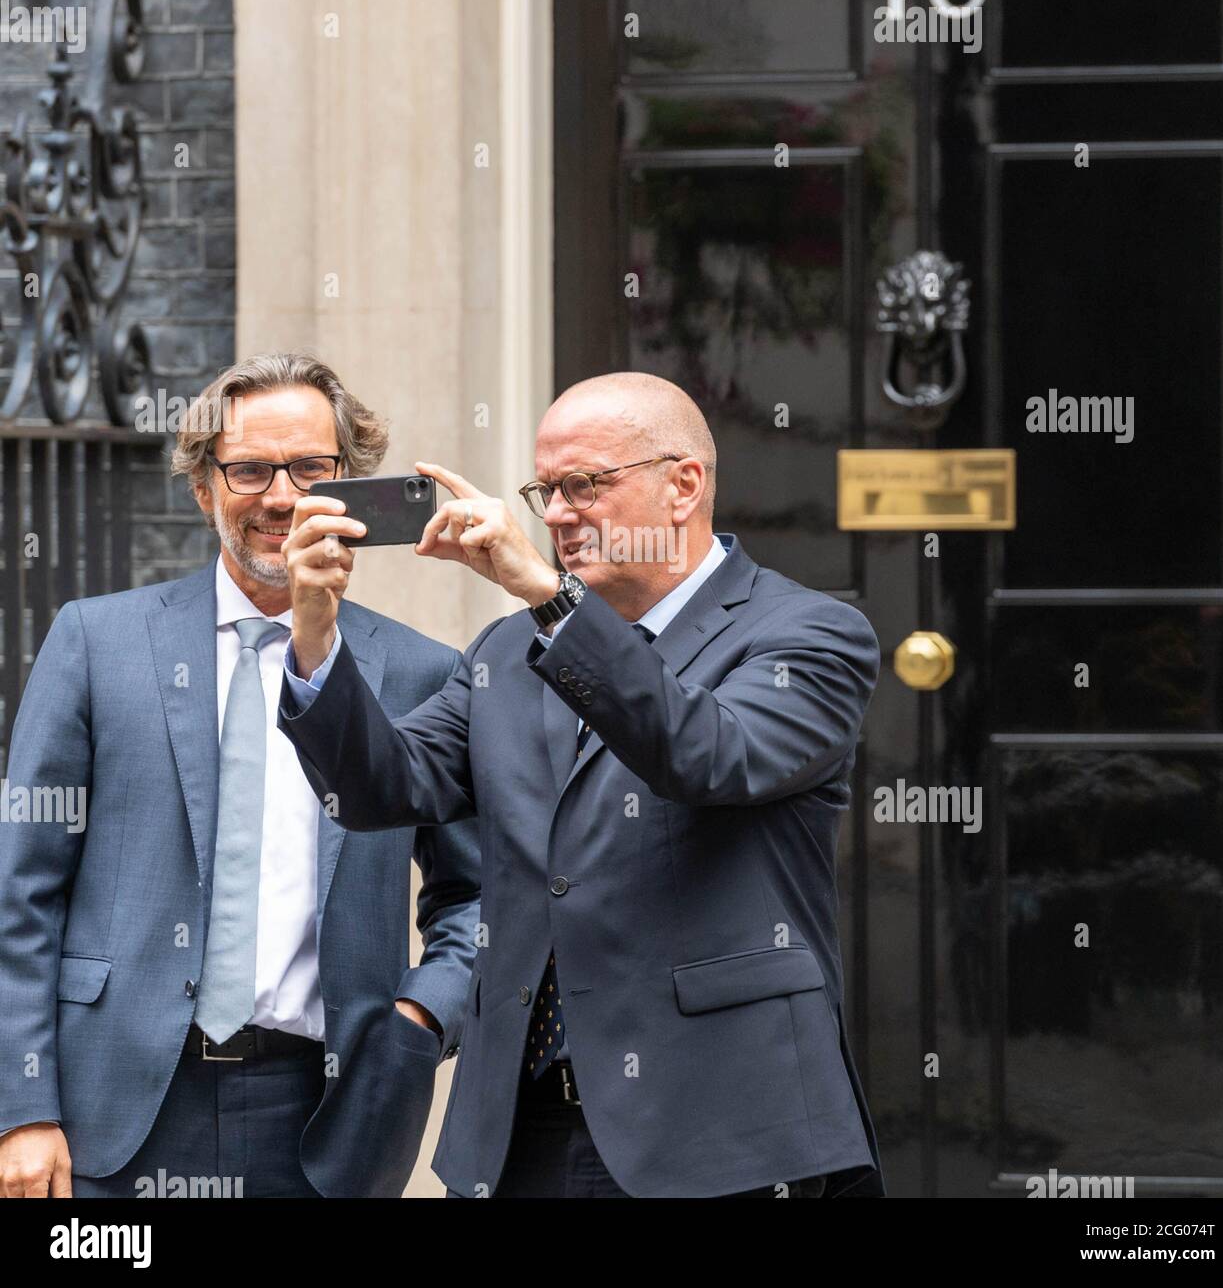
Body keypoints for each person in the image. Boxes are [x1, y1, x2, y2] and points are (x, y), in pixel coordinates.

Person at [280, 371, 882, 1197]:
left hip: (720, 1134)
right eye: (545, 490)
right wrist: (315, 634)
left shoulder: (807, 633)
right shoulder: (505, 652)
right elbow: (380, 789)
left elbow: (705, 755)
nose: (556, 514)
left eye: (585, 485)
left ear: (683, 485)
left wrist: (550, 597)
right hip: (518, 1134)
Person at [0, 353, 480, 1198]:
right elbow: (22, 892)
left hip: (328, 1115)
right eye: (249, 470)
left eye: (311, 469)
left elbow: (478, 894)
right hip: (108, 1111)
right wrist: (23, 1107)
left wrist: (419, 1019)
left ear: (349, 483)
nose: (281, 497)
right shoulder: (95, 642)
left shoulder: (422, 672)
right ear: (202, 489)